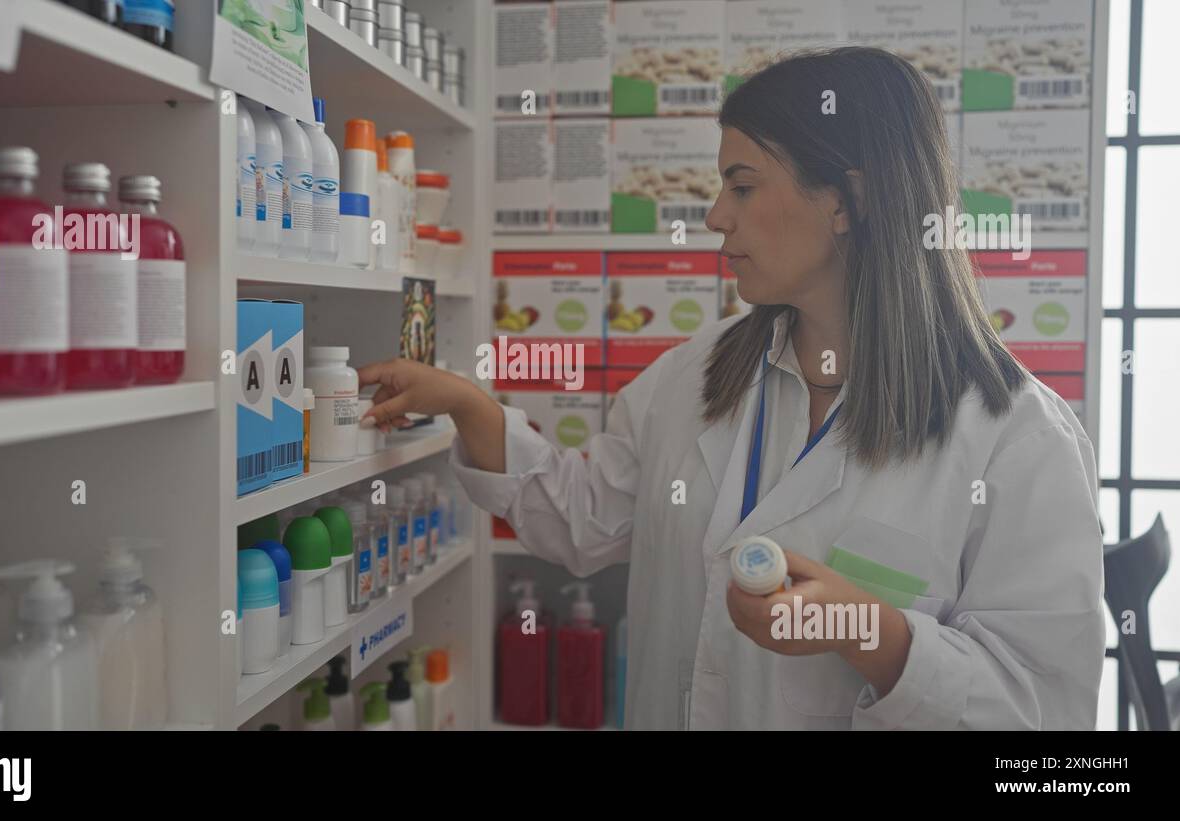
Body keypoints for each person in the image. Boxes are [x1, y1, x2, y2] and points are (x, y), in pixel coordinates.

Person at [358, 47, 1104, 730]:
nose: (714, 215)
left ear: (848, 200)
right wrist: (465, 401)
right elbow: (583, 518)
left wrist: (875, 633)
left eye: (742, 185)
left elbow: (1045, 722)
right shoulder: (704, 371)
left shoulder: (1016, 437)